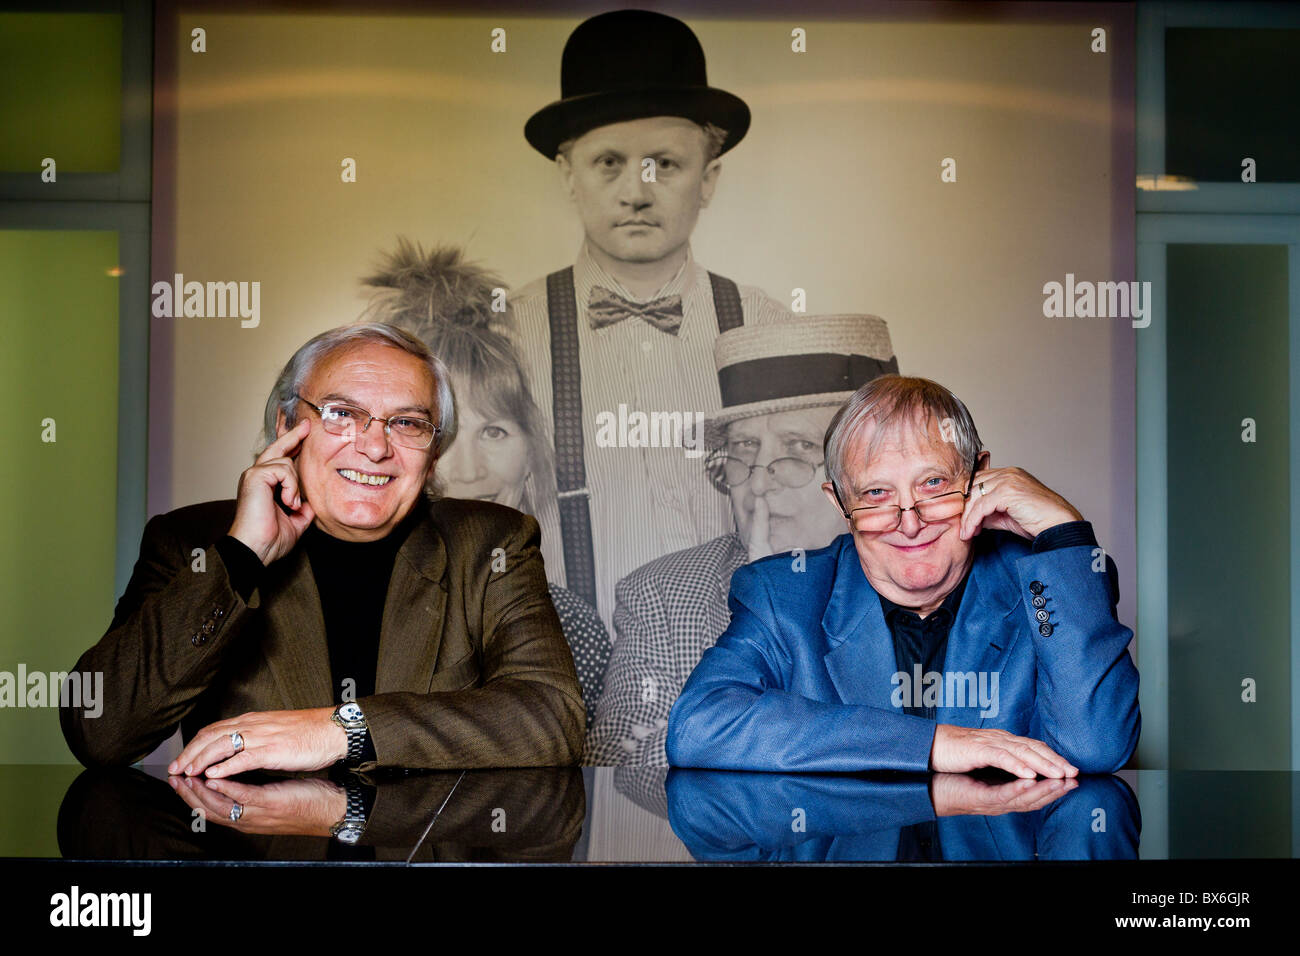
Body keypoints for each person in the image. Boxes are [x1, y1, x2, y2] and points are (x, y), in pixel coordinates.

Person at [61, 323, 585, 775]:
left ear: (432, 451)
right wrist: (243, 555)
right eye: (342, 413)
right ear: (287, 426)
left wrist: (342, 730)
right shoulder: (191, 542)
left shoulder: (492, 543)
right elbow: (100, 733)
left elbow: (551, 716)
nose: (376, 447)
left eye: (406, 423)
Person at [666, 375, 1140, 775]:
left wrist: (1065, 534)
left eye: (933, 484)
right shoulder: (781, 595)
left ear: (978, 475)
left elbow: (1096, 747)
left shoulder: (1045, 584)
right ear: (838, 503)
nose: (909, 522)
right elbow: (698, 726)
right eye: (875, 493)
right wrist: (930, 745)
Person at [512, 9, 792, 629]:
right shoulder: (507, 334)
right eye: (608, 162)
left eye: (664, 164)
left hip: (741, 674)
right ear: (567, 175)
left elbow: (814, 505)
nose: (636, 191)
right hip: (567, 678)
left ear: (709, 178)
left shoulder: (763, 323)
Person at [586, 315, 898, 767]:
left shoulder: (932, 579)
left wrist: (718, 736)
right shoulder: (660, 596)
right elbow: (621, 757)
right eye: (745, 448)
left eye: (798, 445)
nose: (757, 482)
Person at [360, 239, 611, 725]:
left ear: (531, 457)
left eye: (494, 431)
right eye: (445, 436)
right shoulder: (343, 600)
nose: (470, 471)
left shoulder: (574, 629)